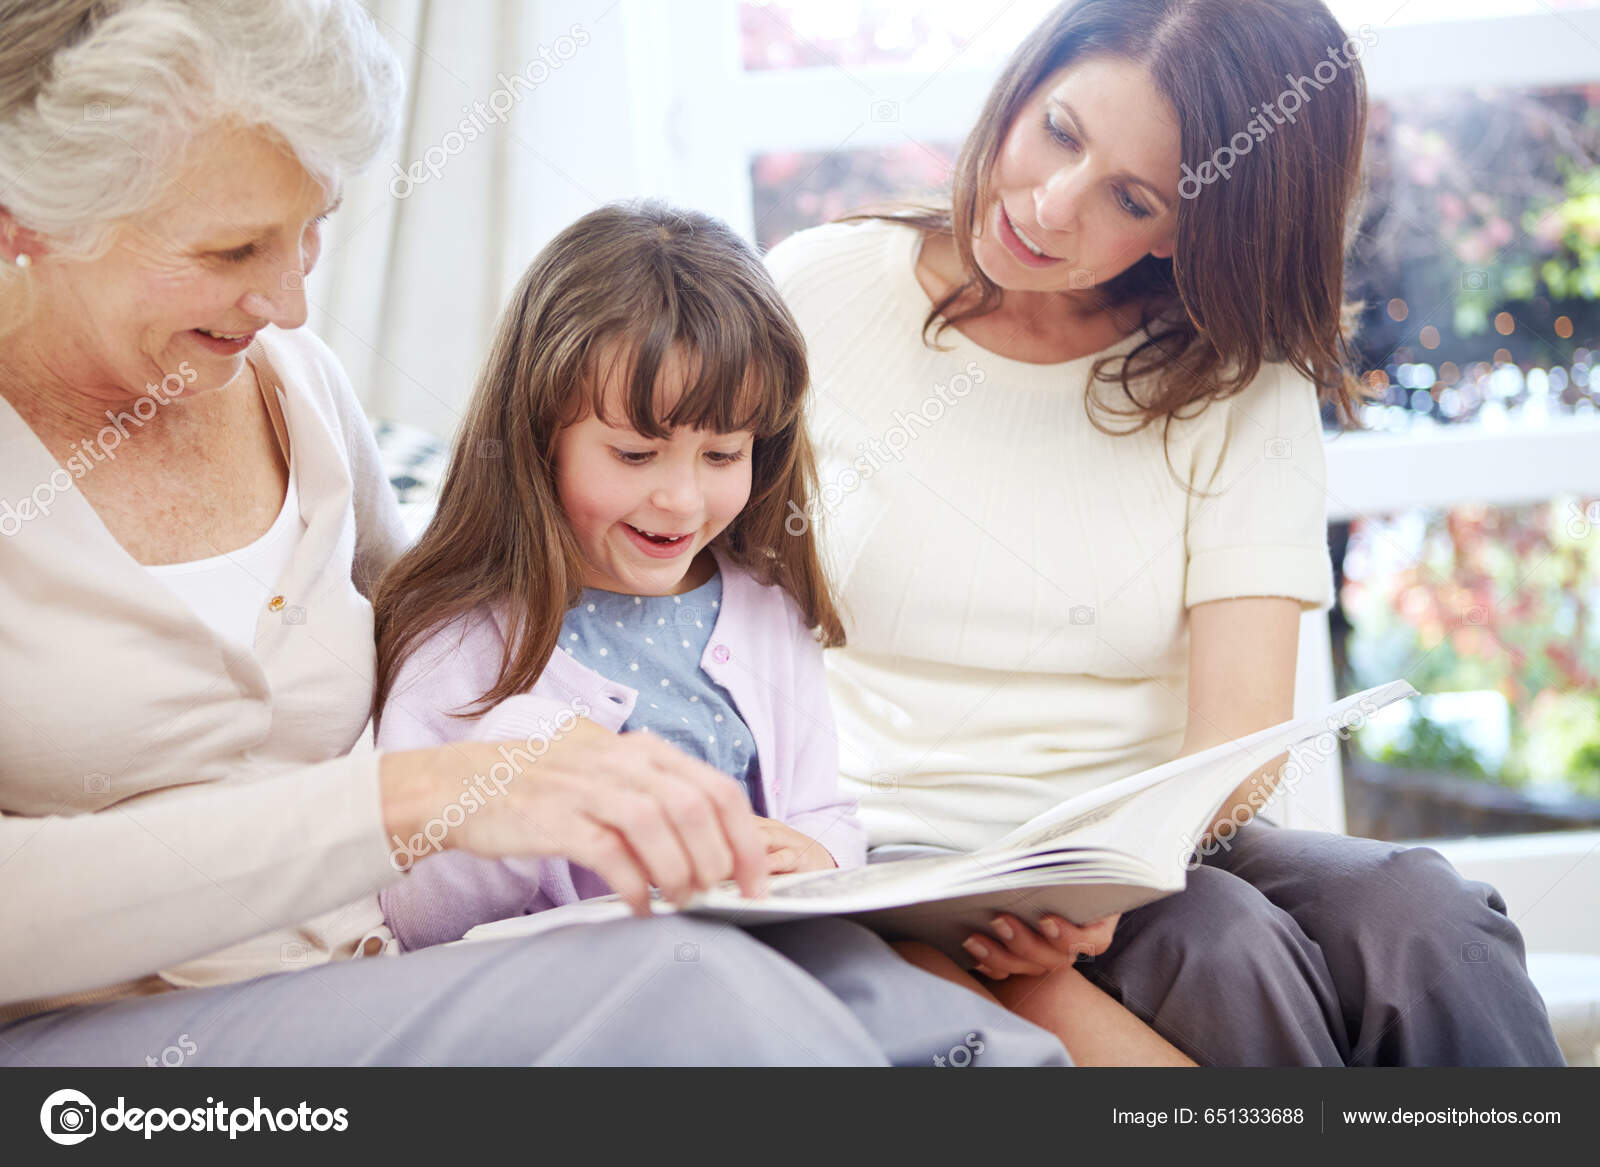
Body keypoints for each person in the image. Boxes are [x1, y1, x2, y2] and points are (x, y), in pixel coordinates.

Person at [0, 0, 1069, 1068]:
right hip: (93, 1044)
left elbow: (430, 608)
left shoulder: (295, 387)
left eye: (311, 226)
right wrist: (425, 799)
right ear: (25, 219)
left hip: (367, 978)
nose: (288, 299)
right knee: (683, 986)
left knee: (929, 1013)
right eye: (233, 246)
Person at [765, 0, 1564, 1066]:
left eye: (1128, 197)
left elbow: (1235, 746)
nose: (1049, 207)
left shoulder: (1232, 375)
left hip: (1147, 851)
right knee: (1222, 947)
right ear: (1027, 80)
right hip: (895, 855)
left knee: (1426, 917)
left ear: (1191, 224)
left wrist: (1112, 879)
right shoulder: (814, 293)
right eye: (1057, 130)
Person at [369, 200, 867, 946]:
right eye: (636, 454)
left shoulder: (765, 607)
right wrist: (516, 759)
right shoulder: (460, 637)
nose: (681, 499)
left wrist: (817, 854)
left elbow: (826, 809)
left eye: (724, 454)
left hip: (771, 959)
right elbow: (419, 920)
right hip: (580, 993)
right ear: (539, 436)